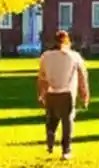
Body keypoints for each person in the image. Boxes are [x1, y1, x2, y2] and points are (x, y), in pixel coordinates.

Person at [37, 30, 90, 160]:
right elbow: (82, 76)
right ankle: (66, 150)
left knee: (52, 118)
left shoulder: (45, 56)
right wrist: (85, 94)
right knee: (67, 121)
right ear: (67, 41)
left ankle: (50, 135)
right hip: (67, 93)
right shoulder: (74, 56)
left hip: (51, 93)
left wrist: (41, 94)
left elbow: (41, 78)